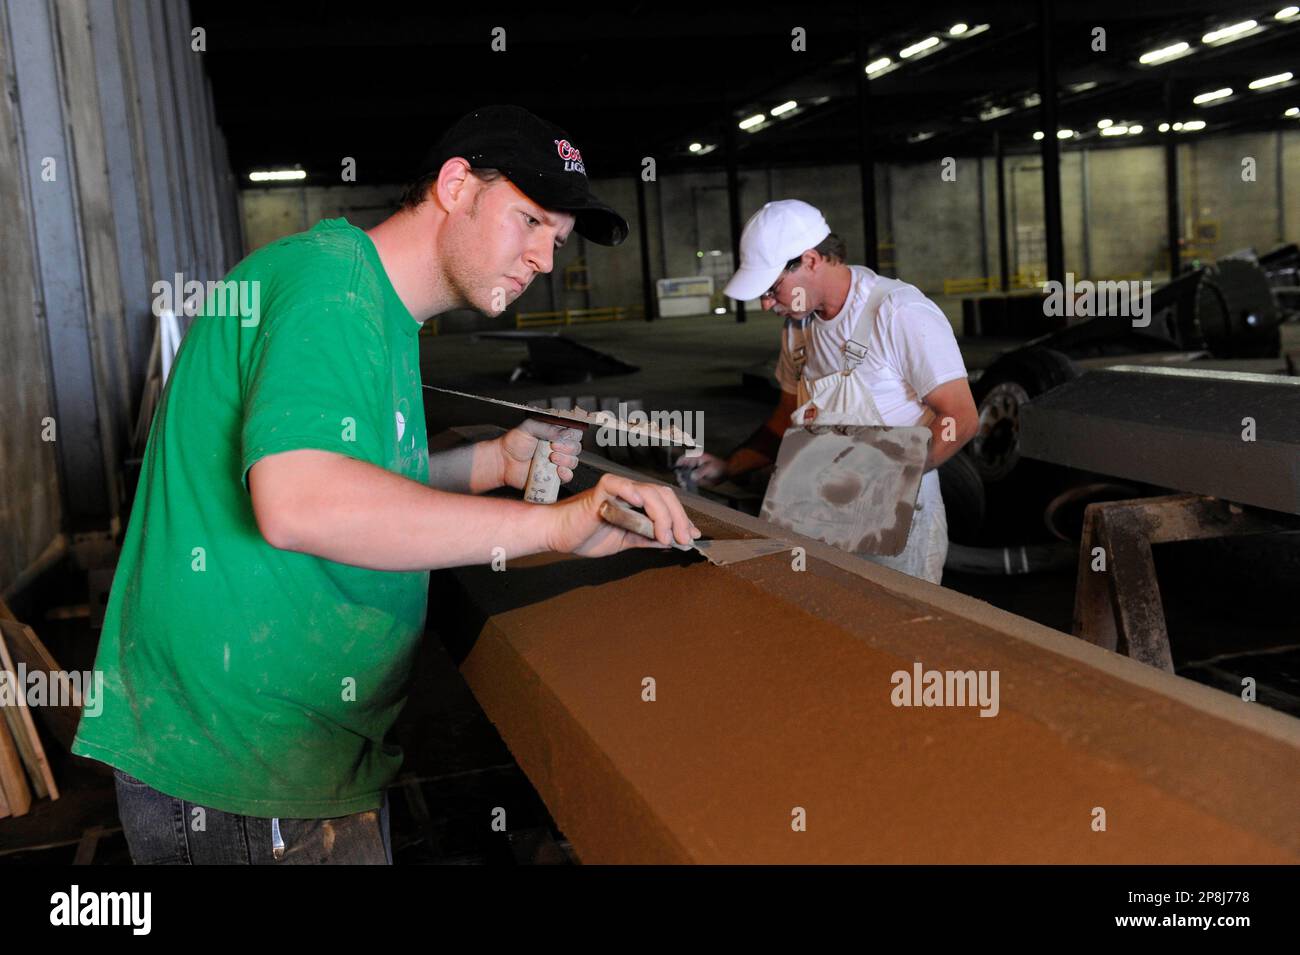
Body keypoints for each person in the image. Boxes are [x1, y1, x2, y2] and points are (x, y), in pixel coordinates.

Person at [72, 105, 699, 864]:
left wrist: (491, 464)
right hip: (243, 772)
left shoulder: (376, 310)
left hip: (298, 757)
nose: (542, 257)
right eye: (528, 220)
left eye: (556, 240)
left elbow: (359, 482)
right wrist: (555, 527)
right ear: (456, 185)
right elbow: (299, 500)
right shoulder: (330, 291)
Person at [676, 200, 977, 583]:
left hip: (895, 516)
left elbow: (961, 420)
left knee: (892, 628)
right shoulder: (798, 329)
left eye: (773, 288)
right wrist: (728, 467)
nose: (768, 303)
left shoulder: (898, 312)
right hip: (814, 505)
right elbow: (787, 416)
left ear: (811, 260)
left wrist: (882, 480)